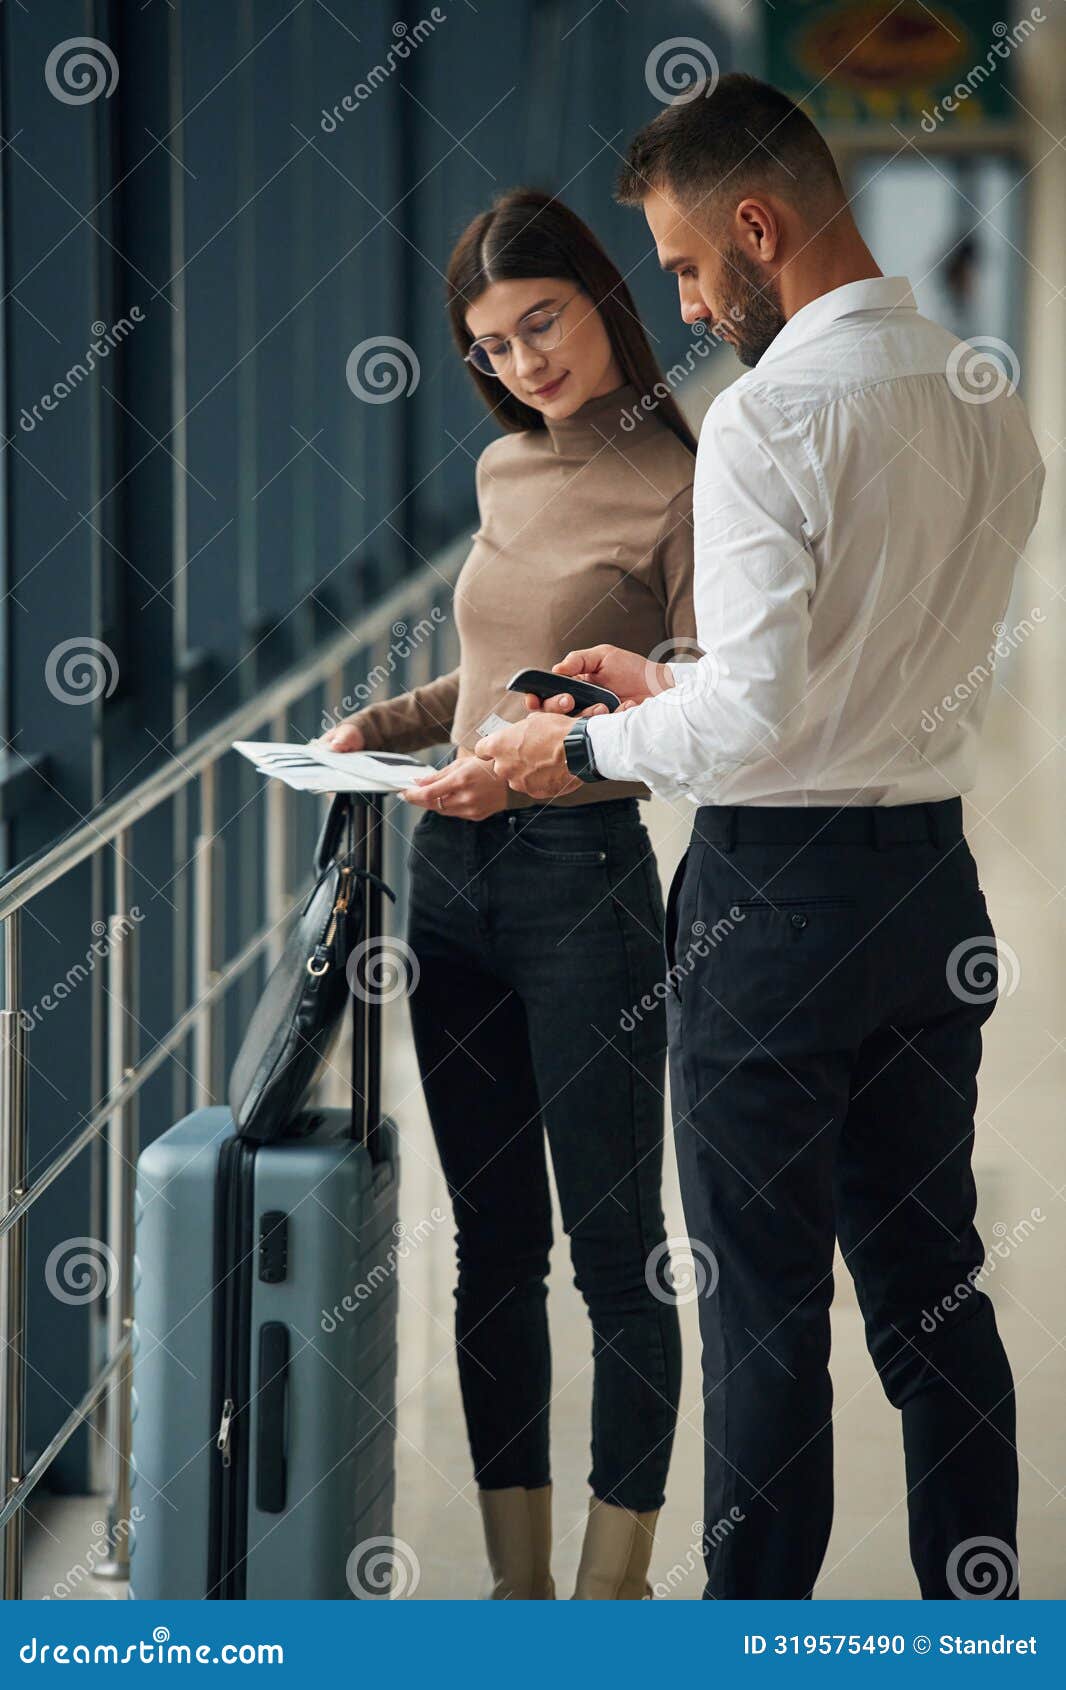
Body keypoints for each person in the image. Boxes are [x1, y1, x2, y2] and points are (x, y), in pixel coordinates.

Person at [476, 76, 1045, 1600]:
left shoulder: (763, 420)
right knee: (932, 1289)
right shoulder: (987, 400)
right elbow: (854, 669)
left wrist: (575, 743)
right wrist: (674, 679)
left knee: (765, 1316)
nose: (678, 295)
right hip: (928, 890)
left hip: (772, 916)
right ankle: (972, 1621)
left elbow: (755, 728)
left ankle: (747, 1648)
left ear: (753, 224)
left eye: (675, 263)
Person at [323, 189, 697, 1598]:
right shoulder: (502, 470)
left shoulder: (679, 481)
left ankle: (614, 1587)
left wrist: (528, 776)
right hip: (450, 881)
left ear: (602, 298)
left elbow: (702, 698)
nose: (526, 360)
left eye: (541, 321)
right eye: (494, 343)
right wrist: (390, 723)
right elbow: (492, 665)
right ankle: (519, 1588)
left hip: (579, 885)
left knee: (616, 1251)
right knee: (493, 1246)